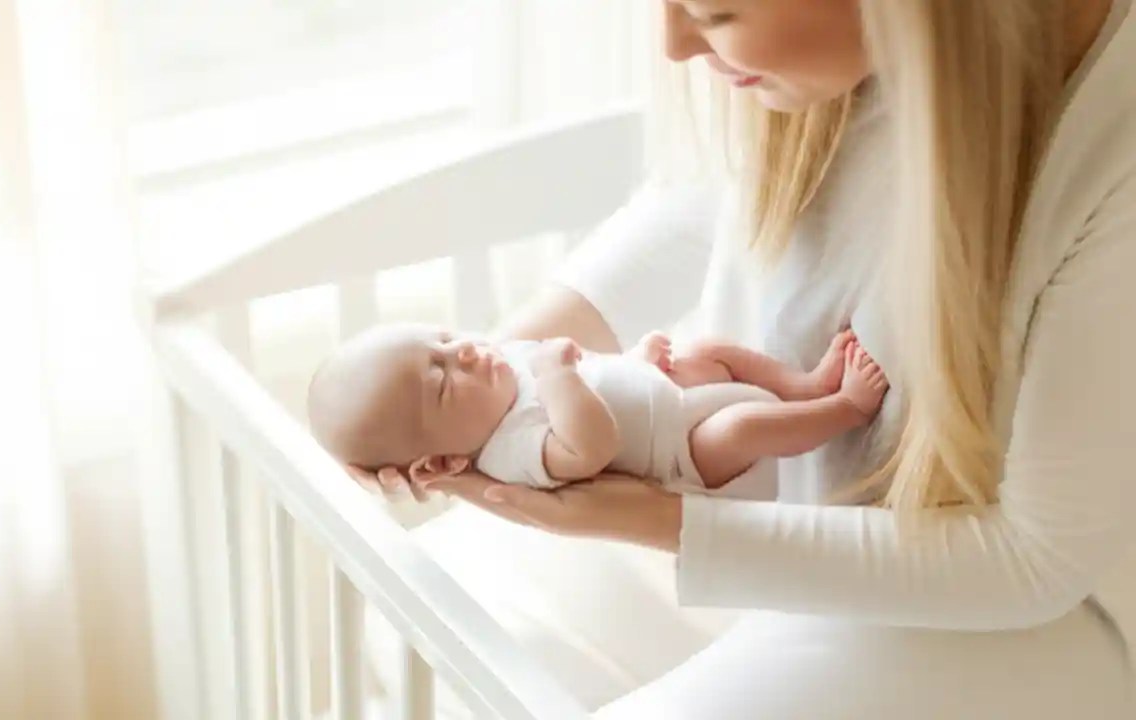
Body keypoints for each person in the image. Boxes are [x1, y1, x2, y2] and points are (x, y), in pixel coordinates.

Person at [355, 0, 1136, 716]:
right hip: (772, 526)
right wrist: (464, 390)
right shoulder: (826, 77)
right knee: (413, 630)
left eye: (715, 12)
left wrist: (662, 523)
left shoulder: (1108, 160)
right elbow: (693, 209)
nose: (673, 42)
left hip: (1021, 617)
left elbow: (1034, 561)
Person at [310, 323, 885, 492]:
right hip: (684, 455)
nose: (460, 351)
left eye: (441, 340)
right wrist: (557, 376)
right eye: (440, 379)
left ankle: (805, 385)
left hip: (671, 394)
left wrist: (638, 359)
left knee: (707, 349)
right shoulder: (509, 451)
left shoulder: (506, 364)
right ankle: (844, 409)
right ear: (445, 460)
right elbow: (591, 447)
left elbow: (602, 375)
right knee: (743, 427)